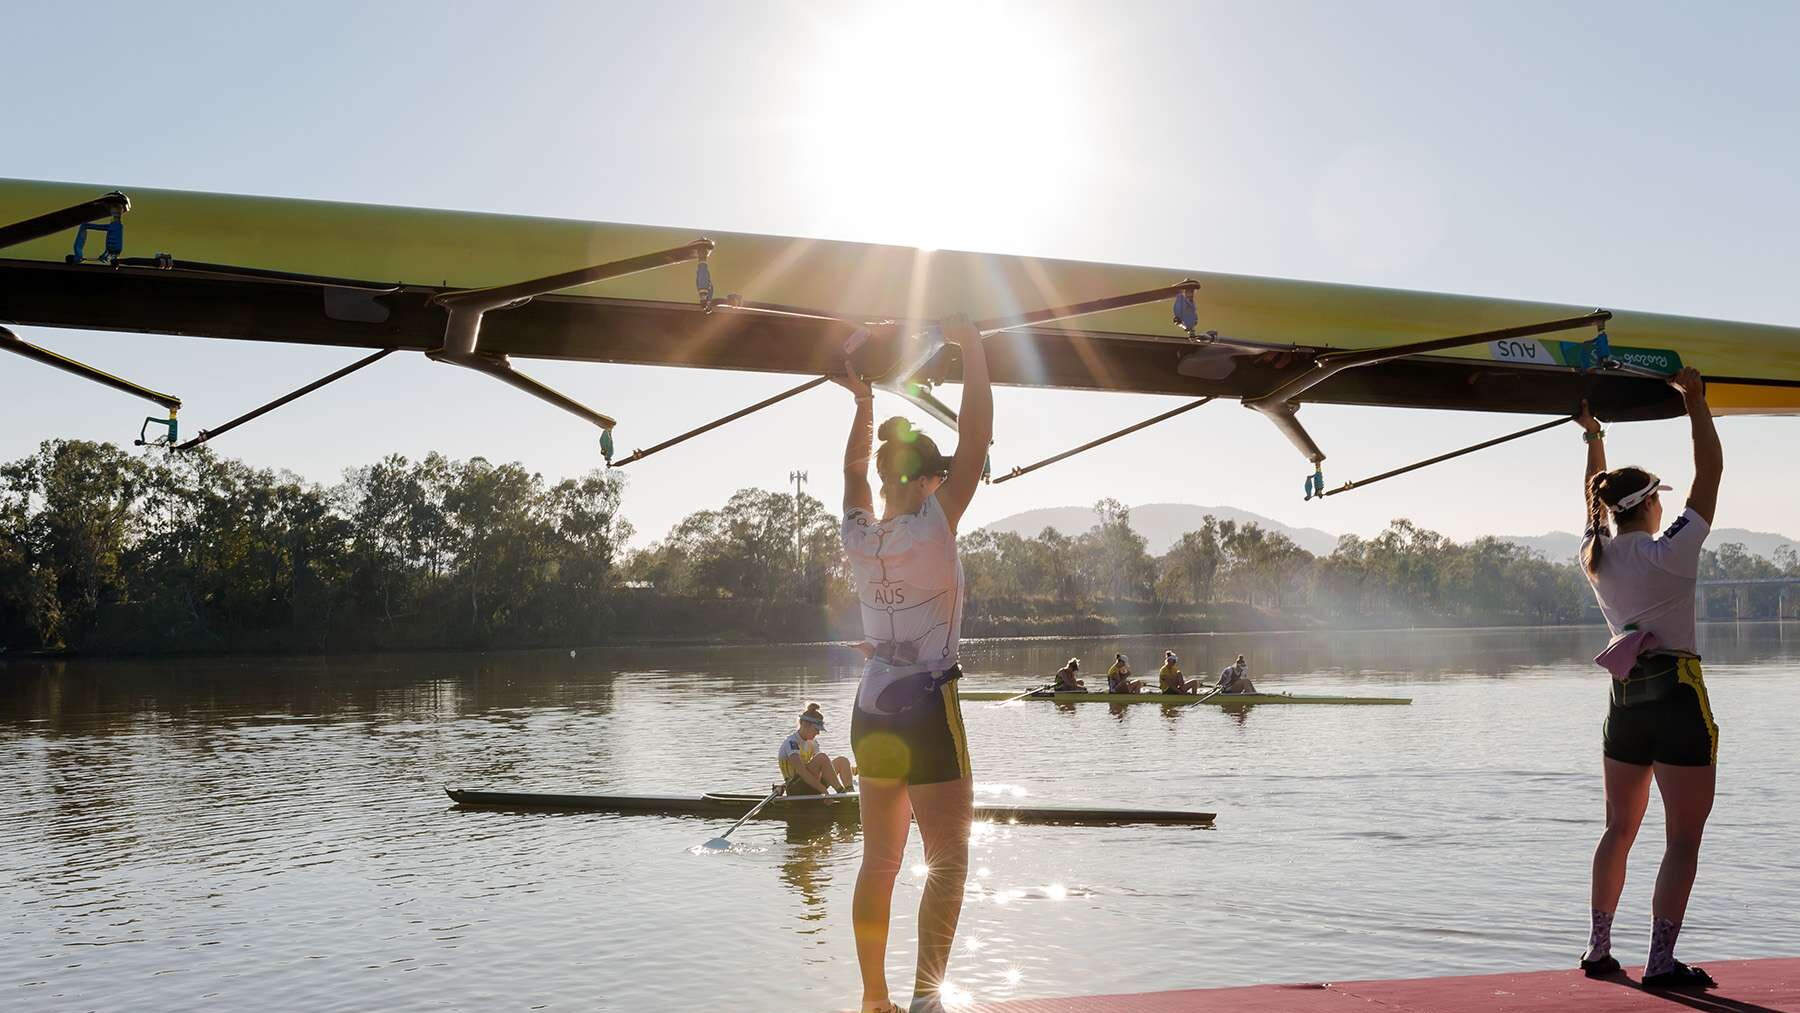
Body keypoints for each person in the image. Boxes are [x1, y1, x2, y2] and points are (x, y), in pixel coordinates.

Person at [835, 314, 992, 1013]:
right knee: (949, 859)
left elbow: (849, 470)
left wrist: (863, 403)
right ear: (926, 481)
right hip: (928, 705)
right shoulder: (936, 521)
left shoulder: (858, 533)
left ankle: (875, 998)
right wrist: (975, 348)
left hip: (870, 709)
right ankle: (928, 999)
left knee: (880, 862)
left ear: (881, 479)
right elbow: (978, 442)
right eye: (937, 476)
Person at [1573, 369, 1723, 991]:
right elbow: (1709, 476)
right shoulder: (1672, 552)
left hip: (1626, 701)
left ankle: (1599, 950)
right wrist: (1696, 404)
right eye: (1659, 495)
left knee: (1618, 829)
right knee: (1683, 837)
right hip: (1678, 698)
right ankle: (1661, 963)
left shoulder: (1597, 557)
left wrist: (1593, 438)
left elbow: (1592, 499)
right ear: (1651, 505)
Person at [778, 703, 855, 796]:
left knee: (842, 761)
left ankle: (851, 795)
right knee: (822, 757)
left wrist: (851, 770)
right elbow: (803, 773)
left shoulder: (813, 742)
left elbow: (824, 766)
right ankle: (841, 793)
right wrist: (825, 791)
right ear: (805, 724)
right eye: (816, 729)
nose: (818, 733)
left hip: (811, 784)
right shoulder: (791, 743)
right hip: (795, 788)